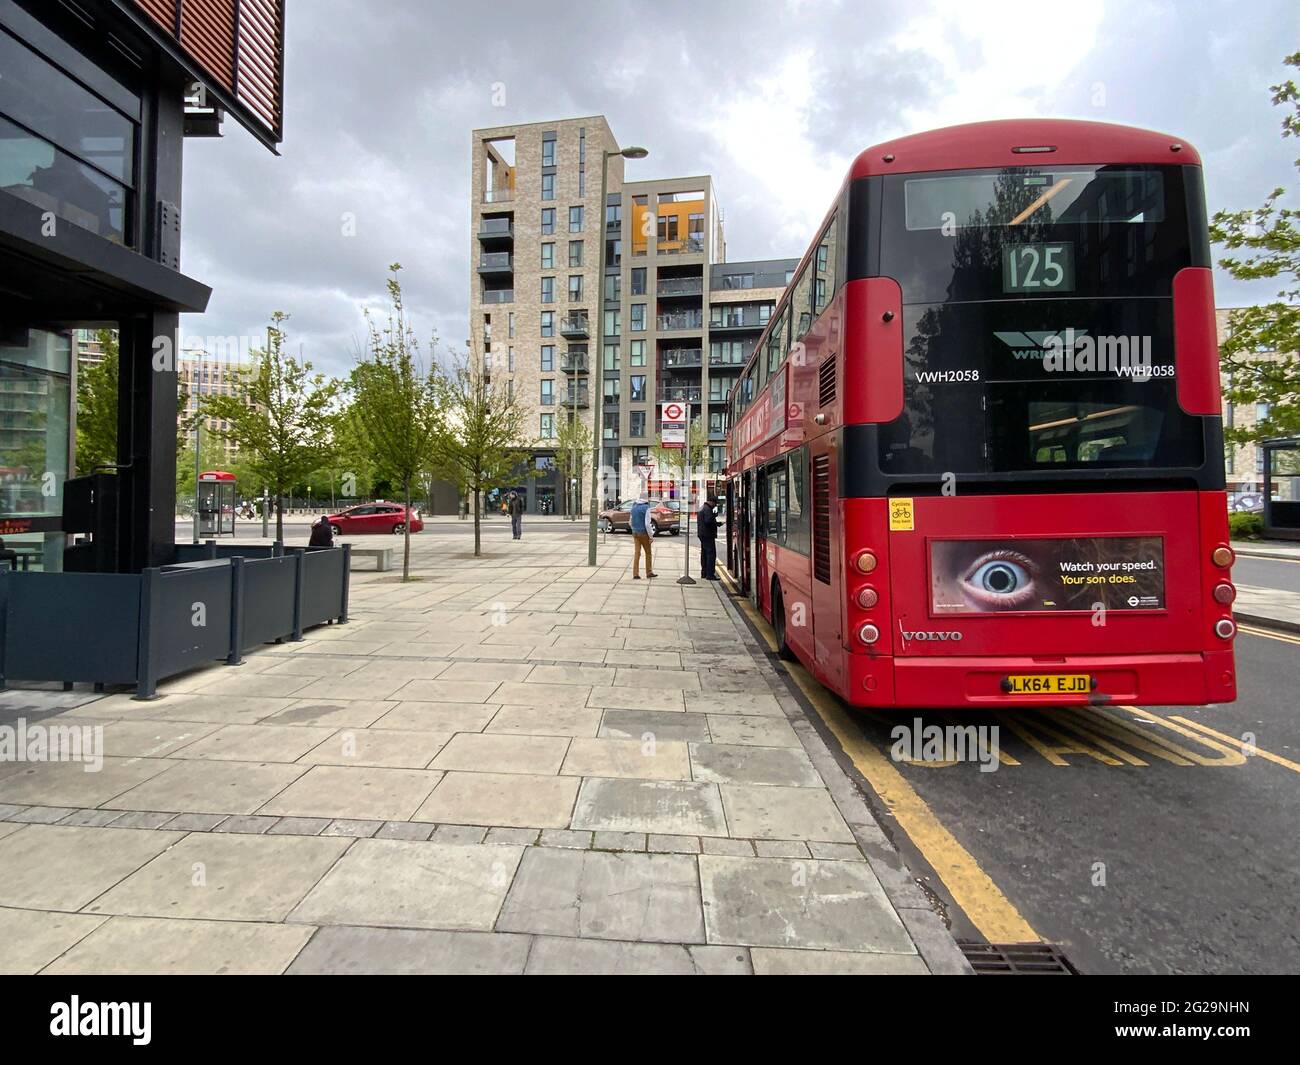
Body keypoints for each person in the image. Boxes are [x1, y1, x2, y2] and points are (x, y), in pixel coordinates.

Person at [629, 495, 657, 579]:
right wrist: (651, 536)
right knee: (648, 553)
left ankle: (635, 573)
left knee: (637, 553)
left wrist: (633, 529)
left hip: (635, 533)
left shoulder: (634, 506)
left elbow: (630, 521)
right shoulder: (646, 508)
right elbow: (647, 524)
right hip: (644, 533)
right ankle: (649, 572)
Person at [697, 492, 719, 579]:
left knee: (704, 554)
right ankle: (710, 574)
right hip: (707, 534)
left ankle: (704, 572)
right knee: (711, 554)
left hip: (702, 534)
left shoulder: (703, 507)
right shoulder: (707, 509)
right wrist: (715, 522)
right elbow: (708, 521)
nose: (715, 505)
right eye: (715, 504)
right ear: (712, 502)